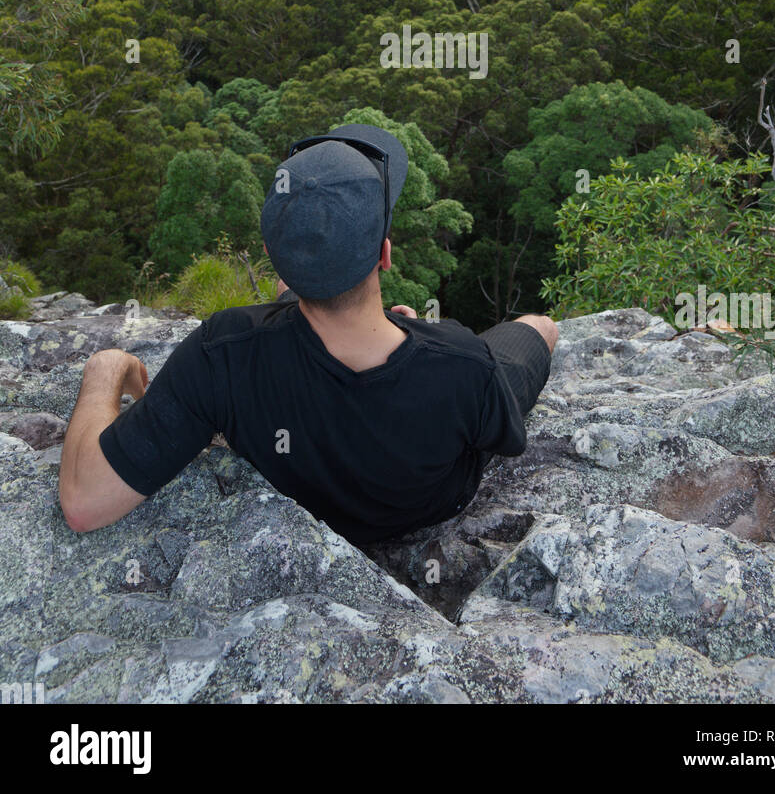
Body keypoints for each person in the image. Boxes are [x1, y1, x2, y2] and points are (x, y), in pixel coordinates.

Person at [59, 123, 558, 544]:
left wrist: (105, 370)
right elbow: (499, 435)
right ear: (385, 255)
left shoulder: (224, 353)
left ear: (275, 257)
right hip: (425, 509)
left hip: (296, 454)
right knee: (539, 326)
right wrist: (416, 336)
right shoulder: (463, 362)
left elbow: (85, 503)